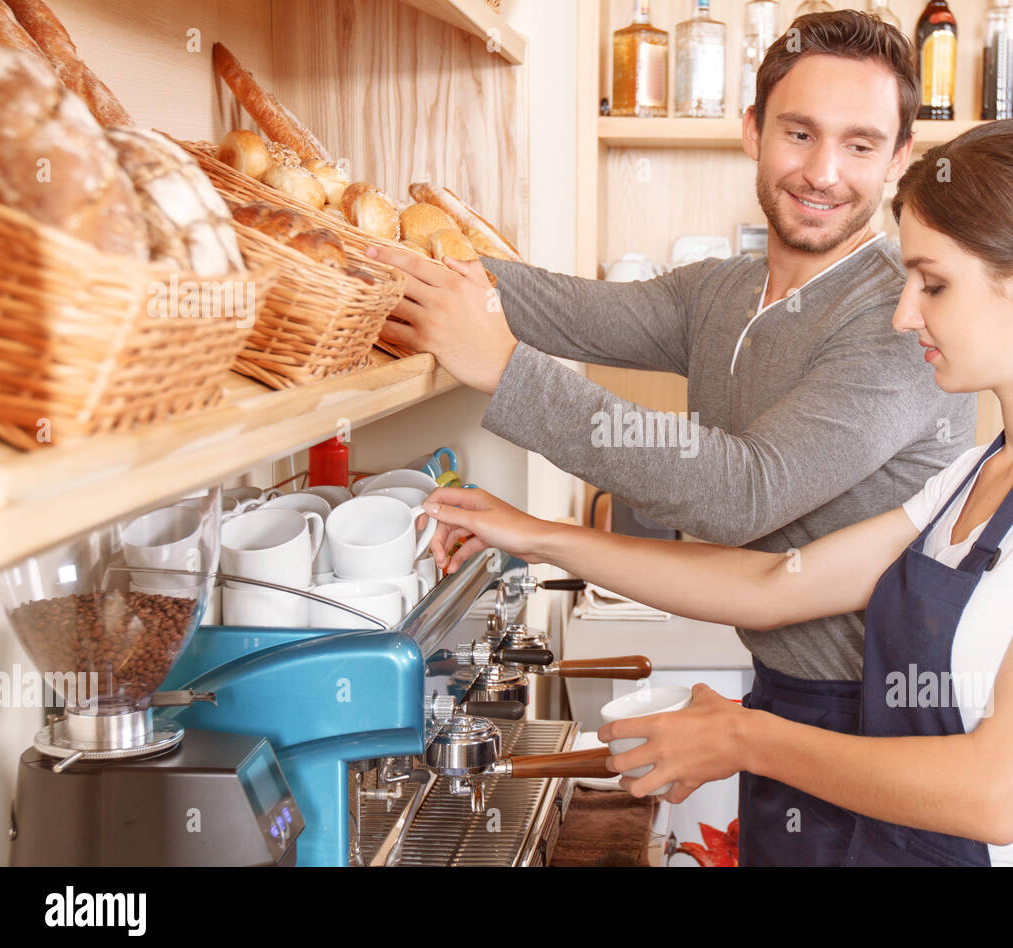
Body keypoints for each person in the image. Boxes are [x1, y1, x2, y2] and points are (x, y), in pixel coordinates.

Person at [417, 118, 1013, 867]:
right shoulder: (975, 475)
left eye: (932, 285)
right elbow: (771, 585)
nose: (904, 314)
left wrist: (747, 739)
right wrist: (539, 537)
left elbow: (994, 795)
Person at [369, 12, 975, 865]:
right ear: (751, 132)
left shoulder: (898, 320)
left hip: (881, 723)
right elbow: (559, 305)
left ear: (900, 159)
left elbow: (743, 492)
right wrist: (383, 261)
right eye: (798, 132)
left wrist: (505, 370)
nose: (824, 172)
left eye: (861, 145)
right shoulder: (724, 294)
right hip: (787, 698)